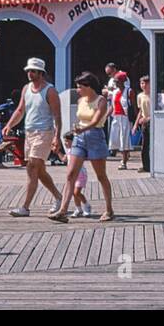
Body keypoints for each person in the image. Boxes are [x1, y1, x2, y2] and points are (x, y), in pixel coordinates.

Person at [0, 57, 64, 217]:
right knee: (39, 170)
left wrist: (57, 137)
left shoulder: (50, 91)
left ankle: (25, 207)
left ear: (41, 73)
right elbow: (20, 110)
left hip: (45, 132)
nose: (29, 73)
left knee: (32, 167)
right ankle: (58, 197)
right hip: (29, 132)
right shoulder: (26, 89)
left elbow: (57, 116)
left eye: (33, 71)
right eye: (28, 70)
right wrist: (9, 124)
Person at [52, 72, 115, 223]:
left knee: (101, 175)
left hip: (95, 137)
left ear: (89, 86)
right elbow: (82, 118)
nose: (78, 90)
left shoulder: (101, 101)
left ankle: (109, 209)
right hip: (79, 138)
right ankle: (63, 211)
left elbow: (96, 120)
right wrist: (78, 130)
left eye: (80, 87)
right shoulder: (81, 100)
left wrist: (83, 129)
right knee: (70, 174)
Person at [58, 132, 92, 217]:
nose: (65, 143)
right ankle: (78, 208)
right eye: (64, 141)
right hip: (73, 175)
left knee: (76, 192)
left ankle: (86, 205)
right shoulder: (69, 151)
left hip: (81, 174)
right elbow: (63, 159)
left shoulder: (77, 151)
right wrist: (58, 152)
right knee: (73, 193)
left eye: (67, 141)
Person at [107, 71, 133, 170]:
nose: (115, 83)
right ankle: (125, 155)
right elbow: (112, 107)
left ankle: (124, 161)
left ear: (122, 81)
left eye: (117, 81)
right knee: (114, 138)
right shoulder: (115, 92)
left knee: (124, 138)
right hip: (116, 117)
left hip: (125, 117)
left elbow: (133, 106)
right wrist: (105, 116)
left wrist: (133, 120)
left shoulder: (129, 91)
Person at [133, 75, 151, 173]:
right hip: (144, 123)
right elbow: (140, 111)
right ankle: (145, 166)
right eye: (141, 83)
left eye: (144, 83)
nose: (142, 85)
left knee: (152, 145)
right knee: (144, 145)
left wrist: (148, 118)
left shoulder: (154, 95)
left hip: (152, 121)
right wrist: (136, 125)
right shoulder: (140, 96)